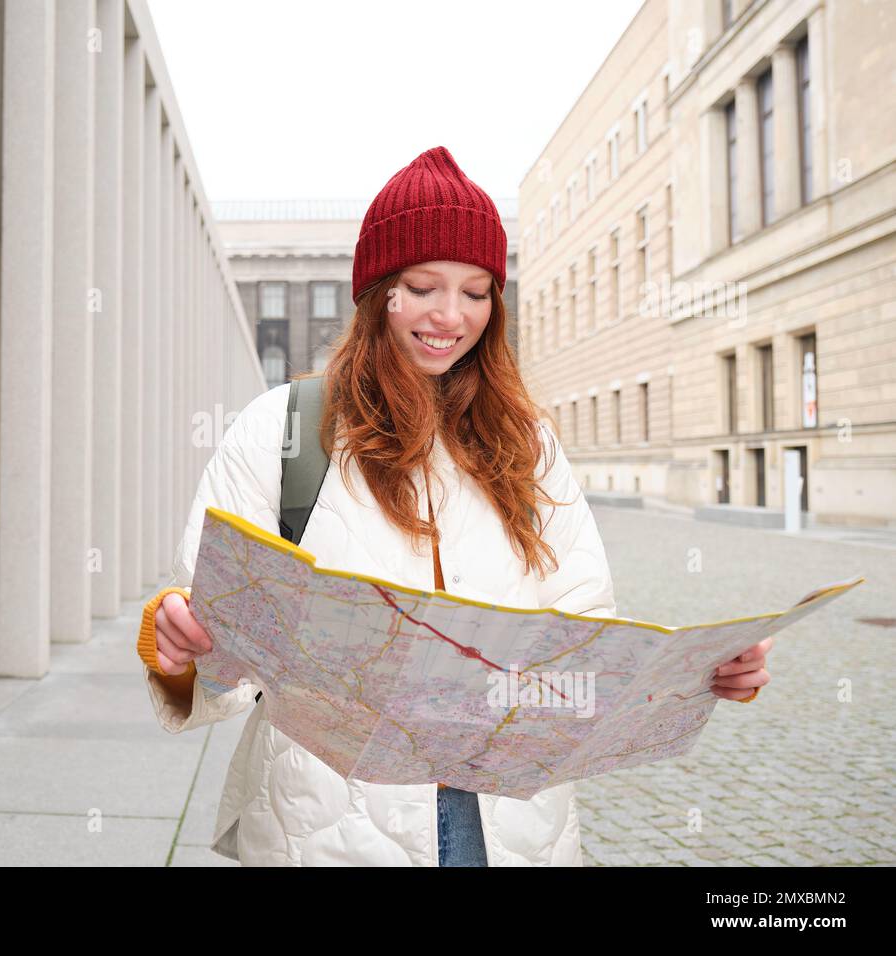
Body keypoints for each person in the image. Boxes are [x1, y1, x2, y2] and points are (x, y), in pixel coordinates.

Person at [135, 145, 773, 867]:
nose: (451, 315)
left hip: (510, 831)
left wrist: (697, 675)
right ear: (379, 292)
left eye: (476, 291)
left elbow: (584, 627)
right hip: (324, 828)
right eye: (423, 286)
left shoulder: (528, 445)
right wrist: (179, 649)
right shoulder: (280, 431)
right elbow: (214, 635)